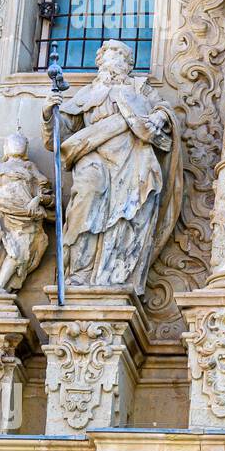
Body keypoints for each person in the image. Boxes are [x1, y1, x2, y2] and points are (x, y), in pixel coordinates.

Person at [43, 39, 181, 294]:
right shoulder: (87, 94)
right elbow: (62, 133)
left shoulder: (140, 88)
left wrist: (160, 115)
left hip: (132, 158)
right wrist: (49, 113)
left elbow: (164, 109)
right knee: (86, 196)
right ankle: (80, 274)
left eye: (120, 53)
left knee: (128, 213)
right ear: (100, 60)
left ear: (128, 64)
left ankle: (112, 275)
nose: (114, 57)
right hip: (93, 156)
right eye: (109, 52)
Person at [0, 133, 52, 293]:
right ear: (5, 148)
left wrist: (37, 199)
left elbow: (46, 190)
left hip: (24, 215)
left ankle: (0, 286)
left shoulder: (29, 166)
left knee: (17, 254)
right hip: (3, 212)